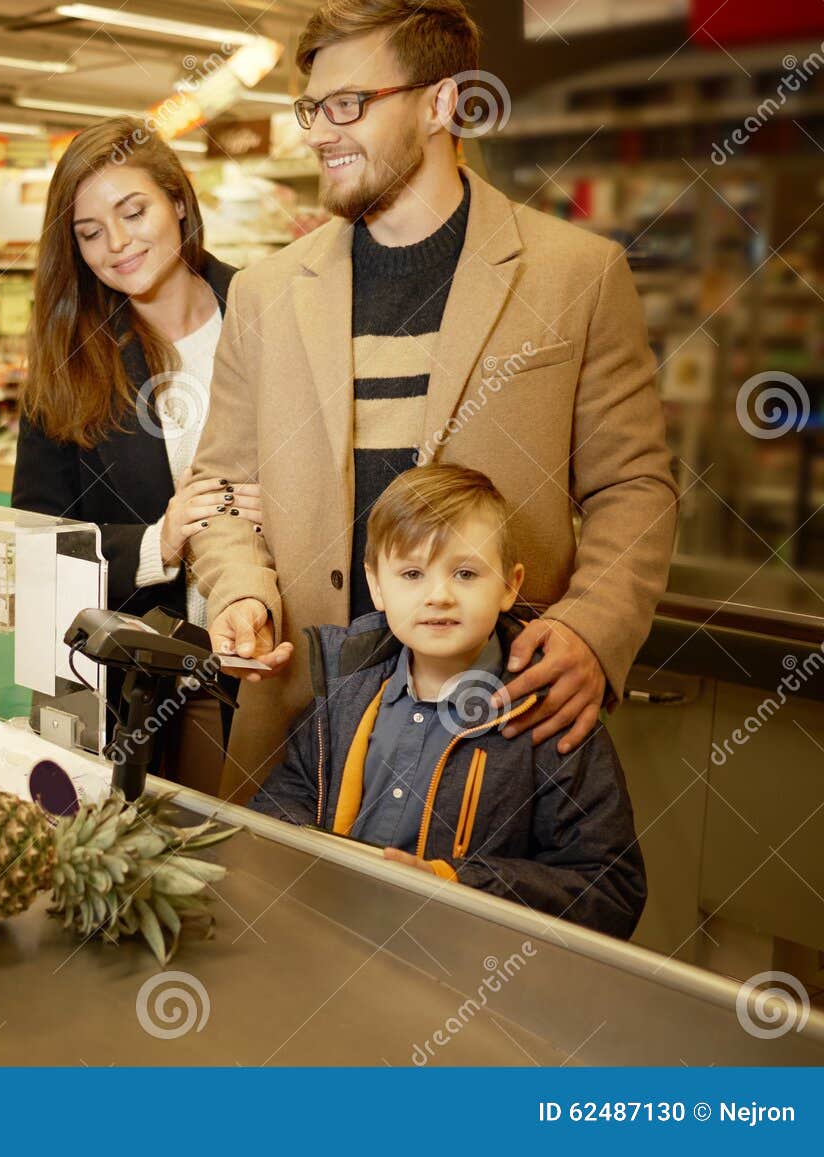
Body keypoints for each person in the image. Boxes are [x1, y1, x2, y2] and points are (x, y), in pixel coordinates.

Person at [190, 0, 677, 802]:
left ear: (443, 102)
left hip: (499, 722)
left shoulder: (575, 276)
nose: (317, 132)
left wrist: (594, 626)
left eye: (347, 105)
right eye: (311, 108)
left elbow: (635, 487)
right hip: (300, 720)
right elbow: (220, 496)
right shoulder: (266, 293)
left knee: (470, 922)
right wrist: (239, 586)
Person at [252, 465, 647, 937]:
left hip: (470, 973)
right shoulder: (342, 696)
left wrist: (454, 884)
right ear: (377, 586)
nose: (438, 596)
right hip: (334, 939)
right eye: (413, 573)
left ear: (509, 586)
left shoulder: (552, 719)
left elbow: (610, 889)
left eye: (465, 572)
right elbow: (281, 802)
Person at [12, 117, 261, 795]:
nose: (117, 244)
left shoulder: (269, 311)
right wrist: (160, 541)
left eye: (133, 211)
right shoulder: (68, 365)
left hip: (280, 667)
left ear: (178, 200)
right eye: (89, 233)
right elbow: (37, 539)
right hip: (153, 684)